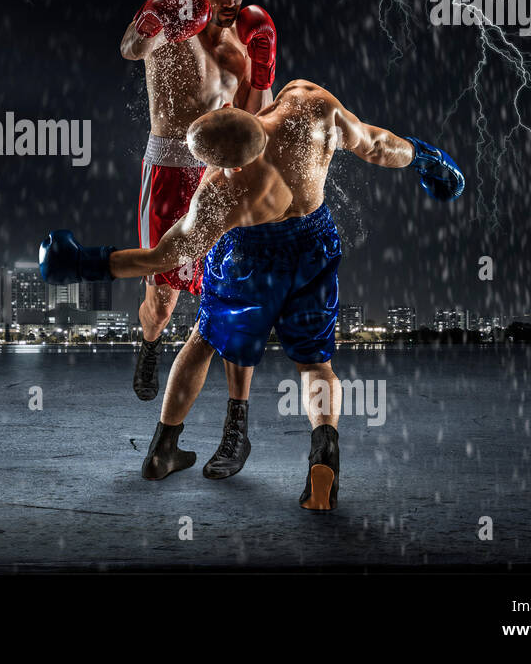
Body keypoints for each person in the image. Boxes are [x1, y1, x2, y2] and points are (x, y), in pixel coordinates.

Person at [39, 80, 463, 509]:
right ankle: (324, 454)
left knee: (203, 340)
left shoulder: (223, 196)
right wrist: (425, 158)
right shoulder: (307, 103)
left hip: (249, 256)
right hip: (314, 245)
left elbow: (161, 256)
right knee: (315, 363)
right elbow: (374, 144)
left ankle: (163, 450)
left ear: (229, 165)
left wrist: (85, 263)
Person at [119, 0, 276, 480]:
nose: (229, 0)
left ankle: (236, 426)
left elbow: (256, 125)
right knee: (161, 303)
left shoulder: (247, 37)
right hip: (165, 171)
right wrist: (156, 14)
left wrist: (262, 72)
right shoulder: (173, 23)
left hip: (220, 177)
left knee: (229, 306)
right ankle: (149, 342)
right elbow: (128, 48)